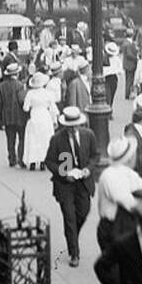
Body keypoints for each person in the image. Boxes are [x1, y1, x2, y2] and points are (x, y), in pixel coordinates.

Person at [44, 106, 98, 267]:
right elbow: (50, 161)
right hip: (65, 184)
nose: (72, 129)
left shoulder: (88, 135)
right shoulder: (57, 139)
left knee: (83, 212)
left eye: (75, 126)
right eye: (69, 126)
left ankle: (72, 234)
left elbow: (95, 155)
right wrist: (63, 174)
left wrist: (88, 168)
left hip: (83, 183)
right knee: (69, 217)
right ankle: (74, 252)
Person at [95, 137, 142, 248]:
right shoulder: (110, 175)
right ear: (129, 158)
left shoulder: (130, 174)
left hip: (125, 227)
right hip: (113, 227)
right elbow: (126, 201)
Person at [21, 71, 58, 170]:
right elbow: (53, 108)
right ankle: (43, 162)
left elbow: (26, 108)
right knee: (44, 139)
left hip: (35, 115)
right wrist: (55, 119)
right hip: (45, 116)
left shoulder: (30, 93)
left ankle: (32, 161)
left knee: (33, 139)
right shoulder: (48, 93)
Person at [0, 63, 28, 166]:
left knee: (10, 139)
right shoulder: (20, 85)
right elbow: (22, 101)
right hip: (19, 116)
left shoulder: (2, 86)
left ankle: (12, 158)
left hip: (7, 116)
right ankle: (20, 158)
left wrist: (0, 118)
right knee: (21, 138)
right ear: (17, 73)